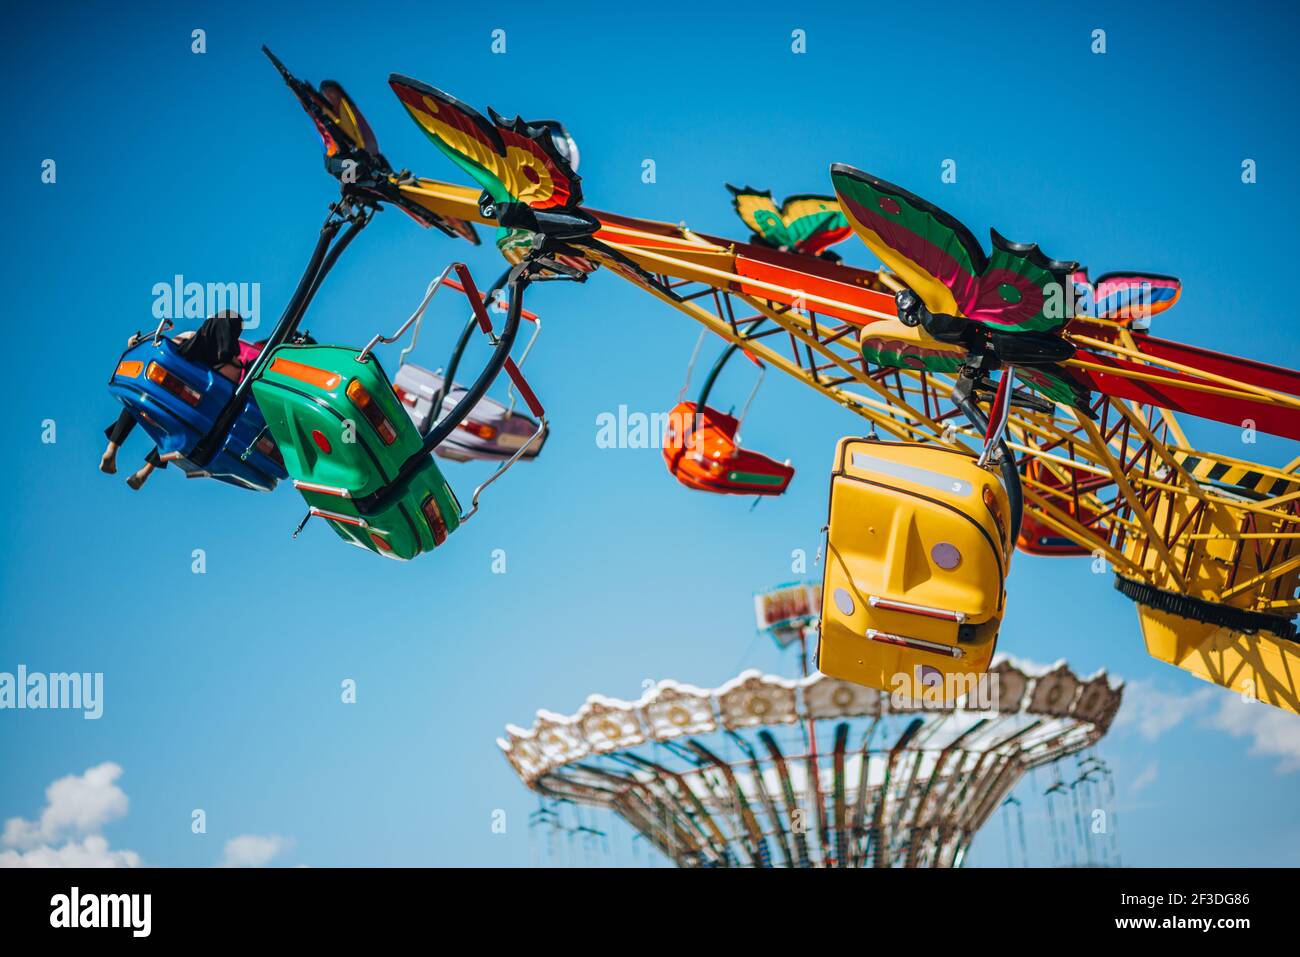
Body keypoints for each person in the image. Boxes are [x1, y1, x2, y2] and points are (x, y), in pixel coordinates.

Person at [101, 311, 250, 490]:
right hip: (192, 415)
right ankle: (145, 472)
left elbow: (162, 351)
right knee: (178, 431)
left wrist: (135, 344)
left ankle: (111, 450)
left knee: (141, 400)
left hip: (163, 396)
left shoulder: (191, 338)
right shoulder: (233, 365)